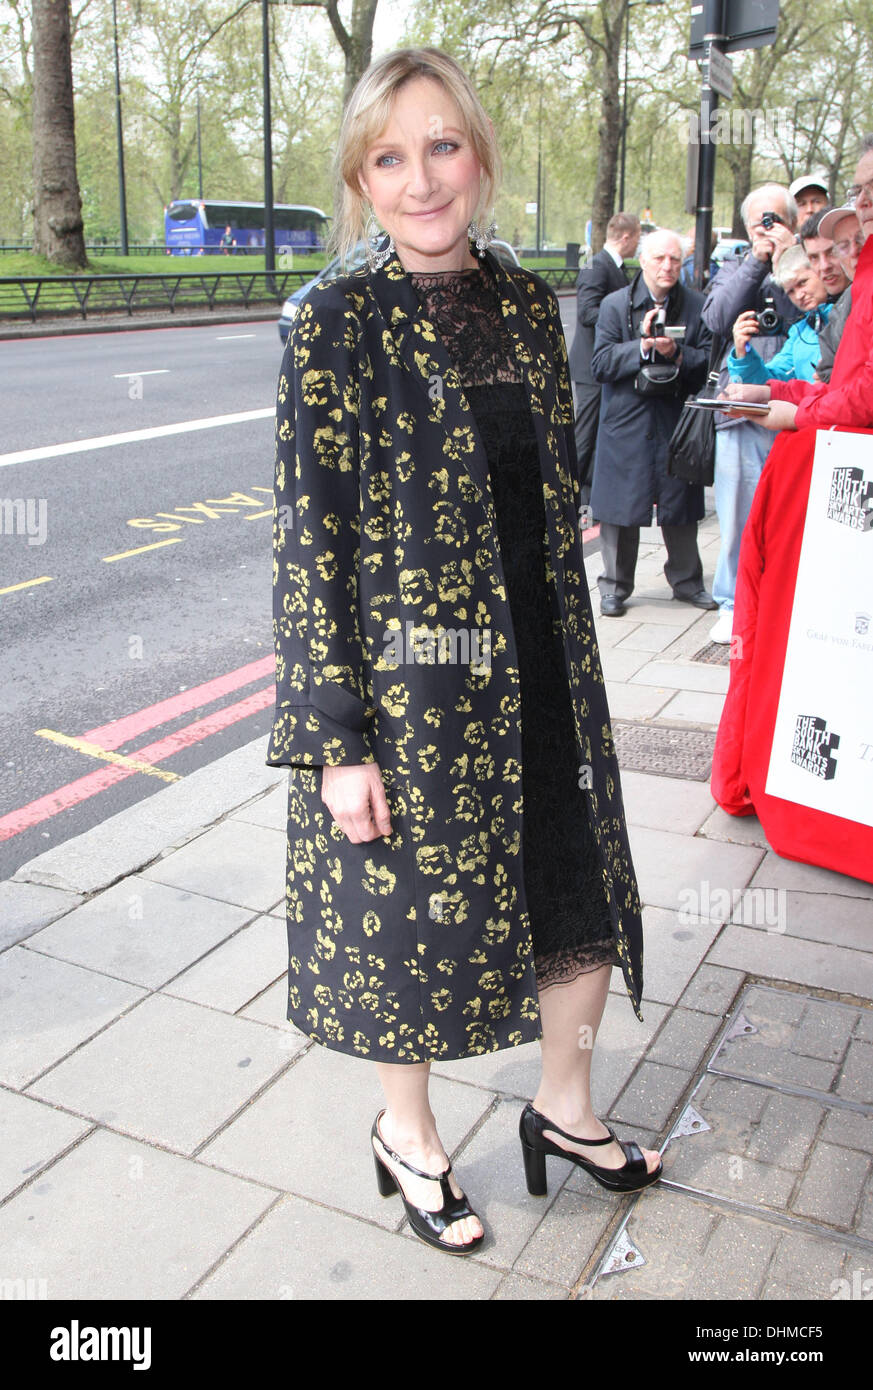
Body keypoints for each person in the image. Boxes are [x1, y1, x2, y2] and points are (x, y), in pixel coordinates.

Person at [267, 46, 661, 1258]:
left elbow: (550, 481)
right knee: (410, 918)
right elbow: (309, 540)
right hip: (413, 686)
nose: (422, 178)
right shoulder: (332, 322)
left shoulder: (527, 303)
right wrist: (335, 743)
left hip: (540, 660)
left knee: (574, 886)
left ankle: (567, 1106)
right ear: (360, 181)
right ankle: (410, 1134)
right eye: (389, 157)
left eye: (443, 146)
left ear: (480, 160)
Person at [589, 229, 715, 617]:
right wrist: (642, 346)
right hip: (626, 419)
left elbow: (707, 364)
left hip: (674, 418)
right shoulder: (615, 305)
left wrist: (677, 353)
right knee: (620, 507)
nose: (667, 266)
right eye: (659, 258)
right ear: (642, 260)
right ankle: (614, 586)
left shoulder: (696, 305)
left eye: (675, 259)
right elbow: (600, 364)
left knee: (681, 503)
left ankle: (687, 582)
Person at [701, 183, 800, 644]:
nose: (769, 228)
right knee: (738, 515)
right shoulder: (733, 266)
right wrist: (758, 261)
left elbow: (811, 310)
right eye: (761, 221)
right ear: (746, 227)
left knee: (788, 515)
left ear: (792, 223)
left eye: (776, 219)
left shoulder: (803, 261)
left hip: (793, 405)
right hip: (740, 410)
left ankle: (781, 601)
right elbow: (716, 320)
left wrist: (788, 258)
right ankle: (732, 603)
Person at [722, 135, 873, 432]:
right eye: (858, 191)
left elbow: (862, 396)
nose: (863, 200)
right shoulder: (812, 322)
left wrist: (797, 414)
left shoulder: (855, 294)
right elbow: (835, 389)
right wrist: (764, 383)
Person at [568, 212, 640, 511]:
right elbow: (587, 312)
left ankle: (587, 498)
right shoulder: (597, 265)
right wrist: (625, 320)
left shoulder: (613, 266)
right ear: (626, 237)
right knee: (585, 434)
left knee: (597, 433)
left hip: (603, 365)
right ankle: (567, 495)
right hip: (591, 367)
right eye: (637, 238)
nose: (637, 245)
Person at [727, 245, 832, 387]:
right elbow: (769, 382)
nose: (799, 295)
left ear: (819, 270)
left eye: (802, 283)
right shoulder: (800, 333)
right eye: (791, 292)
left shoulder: (851, 312)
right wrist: (743, 354)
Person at [813, 204, 864, 383]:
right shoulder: (842, 308)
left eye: (861, 239)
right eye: (843, 246)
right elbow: (827, 373)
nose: (854, 251)